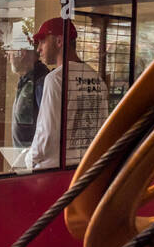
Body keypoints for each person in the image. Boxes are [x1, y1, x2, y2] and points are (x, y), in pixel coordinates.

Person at [25, 17, 107, 171]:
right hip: (85, 168)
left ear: (59, 41)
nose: (38, 49)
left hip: (53, 171)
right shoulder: (98, 80)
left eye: (43, 41)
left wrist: (28, 160)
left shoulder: (55, 79)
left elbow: (46, 134)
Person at [7, 28, 49, 148]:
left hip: (33, 163)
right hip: (24, 163)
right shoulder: (27, 81)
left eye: (10, 50)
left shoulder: (41, 82)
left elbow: (48, 129)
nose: (8, 56)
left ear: (22, 52)